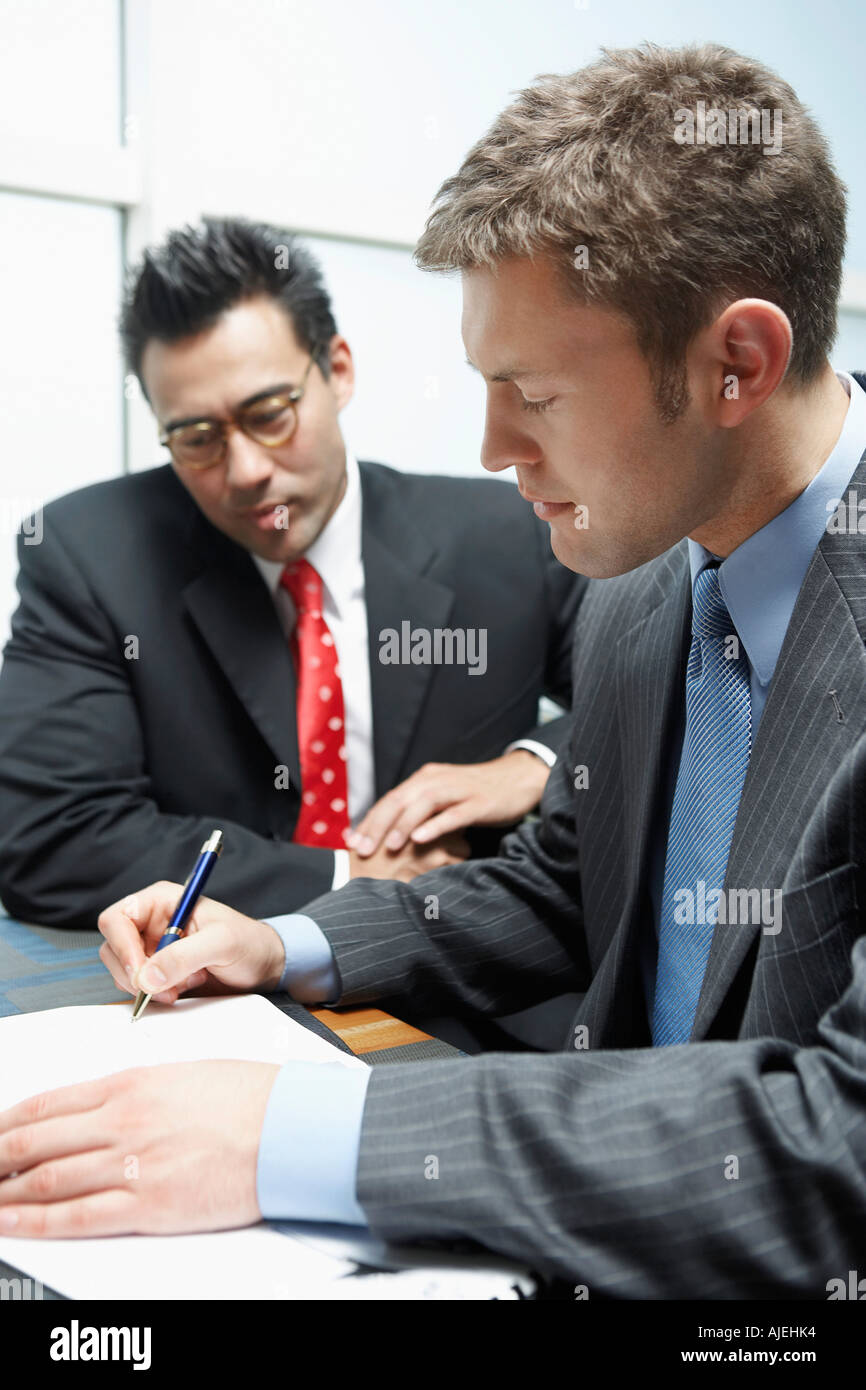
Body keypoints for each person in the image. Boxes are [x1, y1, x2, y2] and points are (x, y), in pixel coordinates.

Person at [1, 42, 865, 1298]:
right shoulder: (641, 577)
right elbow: (564, 886)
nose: (490, 446)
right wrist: (286, 943)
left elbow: (838, 1137)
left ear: (733, 362)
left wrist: (283, 1137)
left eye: (530, 394)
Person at [0, 219, 583, 937]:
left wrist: (535, 762)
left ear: (337, 370)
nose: (245, 470)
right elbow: (54, 838)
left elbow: (671, 690)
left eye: (270, 415)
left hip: (474, 985)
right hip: (223, 995)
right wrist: (345, 876)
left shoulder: (511, 534)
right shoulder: (89, 557)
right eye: (196, 438)